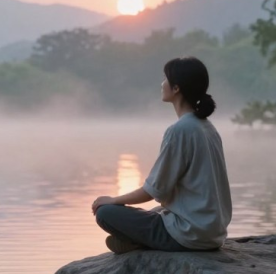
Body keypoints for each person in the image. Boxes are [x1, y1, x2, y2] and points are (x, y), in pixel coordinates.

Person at [91, 56, 232, 254]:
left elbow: (154, 190)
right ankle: (137, 241)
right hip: (212, 233)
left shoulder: (180, 130)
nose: (162, 83)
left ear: (176, 88)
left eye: (166, 79)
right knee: (157, 212)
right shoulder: (207, 128)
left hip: (189, 235)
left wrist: (113, 200)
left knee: (105, 213)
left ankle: (138, 242)